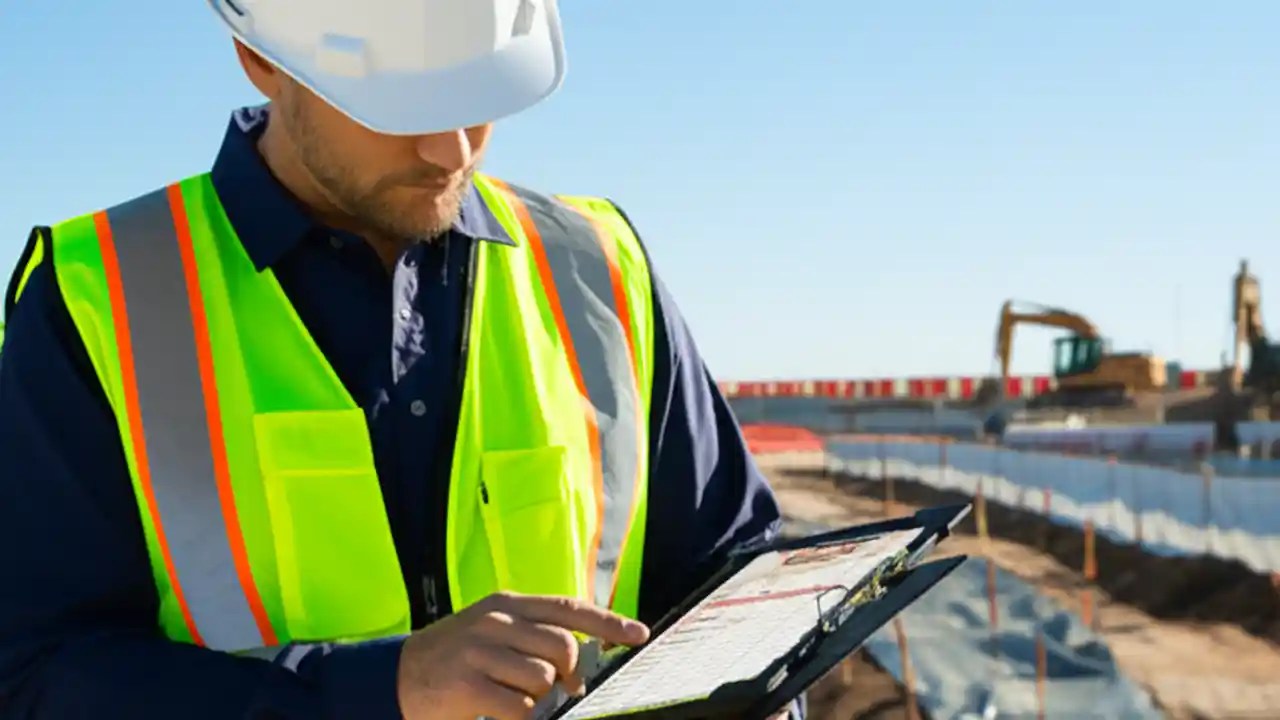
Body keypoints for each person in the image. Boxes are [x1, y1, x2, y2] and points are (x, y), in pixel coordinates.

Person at [0, 1, 793, 719]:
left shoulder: (597, 266)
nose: (450, 149)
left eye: (476, 95)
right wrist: (385, 690)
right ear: (261, 57)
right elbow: (34, 677)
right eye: (403, 104)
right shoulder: (95, 296)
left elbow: (729, 582)